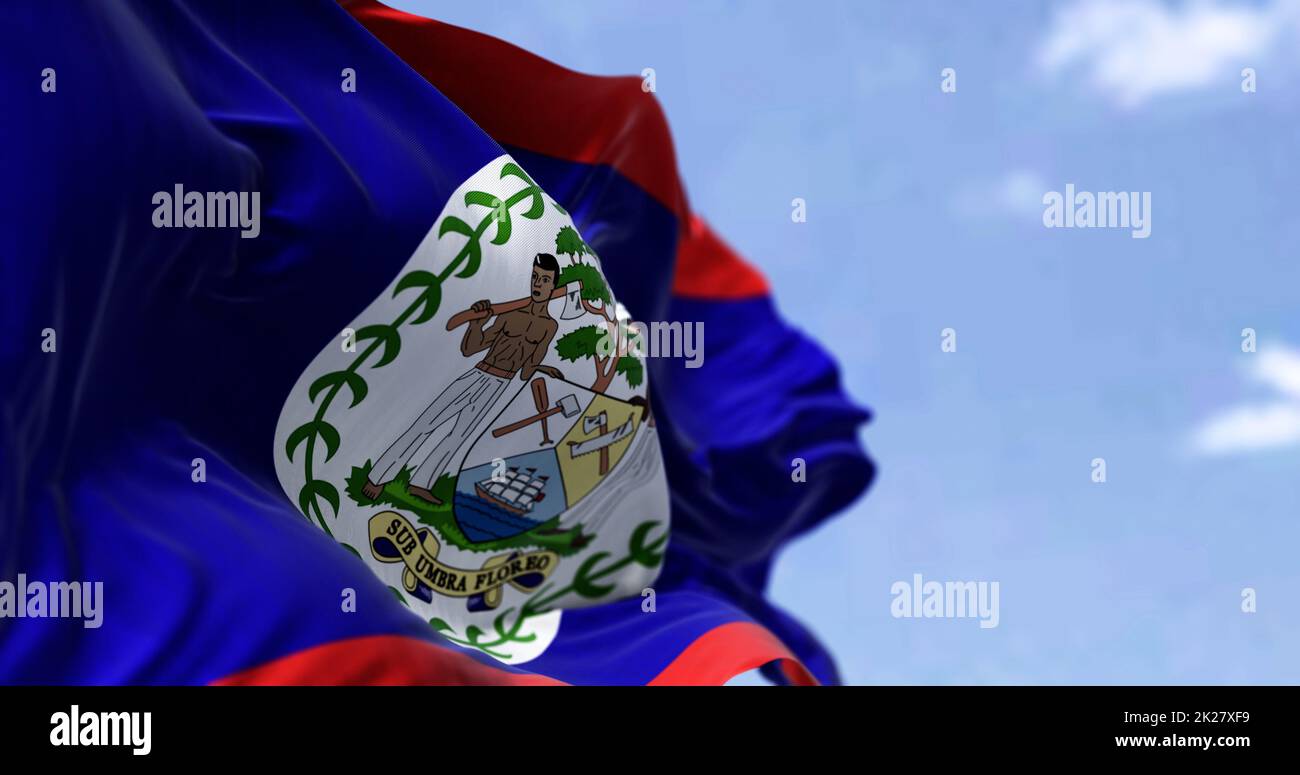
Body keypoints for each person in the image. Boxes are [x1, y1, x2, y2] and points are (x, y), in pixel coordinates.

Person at [362, 253, 566, 504]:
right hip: (478, 373)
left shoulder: (549, 327)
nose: (538, 284)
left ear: (554, 285)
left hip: (500, 385)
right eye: (535, 277)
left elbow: (527, 369)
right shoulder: (510, 314)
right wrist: (476, 324)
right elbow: (470, 349)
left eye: (545, 280)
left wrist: (543, 368)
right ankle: (378, 478)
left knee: (459, 435)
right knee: (427, 423)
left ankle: (422, 483)